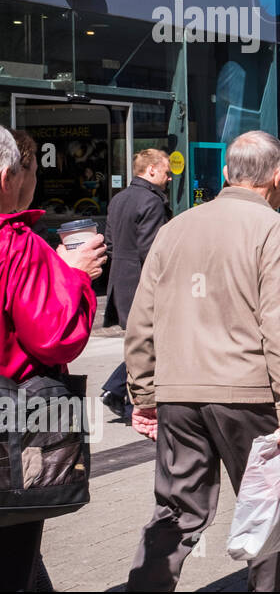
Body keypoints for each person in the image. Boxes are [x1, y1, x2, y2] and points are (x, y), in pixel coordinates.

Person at [124, 131, 280, 592]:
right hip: (248, 394)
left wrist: (143, 393)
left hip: (179, 393)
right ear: (279, 178)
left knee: (174, 511)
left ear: (227, 173)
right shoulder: (277, 232)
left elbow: (141, 319)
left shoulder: (175, 228)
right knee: (269, 512)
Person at [0, 127, 105, 591]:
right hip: (11, 436)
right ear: (7, 176)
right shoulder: (15, 245)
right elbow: (56, 337)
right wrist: (72, 275)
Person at [100, 148, 172, 420]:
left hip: (121, 282)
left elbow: (110, 243)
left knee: (143, 341)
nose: (169, 178)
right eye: (166, 172)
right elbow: (153, 250)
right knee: (150, 342)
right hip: (144, 284)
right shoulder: (152, 202)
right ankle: (121, 393)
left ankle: (116, 390)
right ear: (151, 170)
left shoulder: (119, 199)